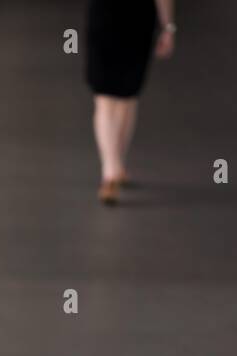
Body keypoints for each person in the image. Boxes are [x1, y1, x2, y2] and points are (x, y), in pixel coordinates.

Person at [86, 0, 176, 205]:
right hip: (138, 18)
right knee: (127, 96)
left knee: (104, 98)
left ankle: (110, 168)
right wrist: (168, 26)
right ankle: (117, 166)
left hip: (103, 14)